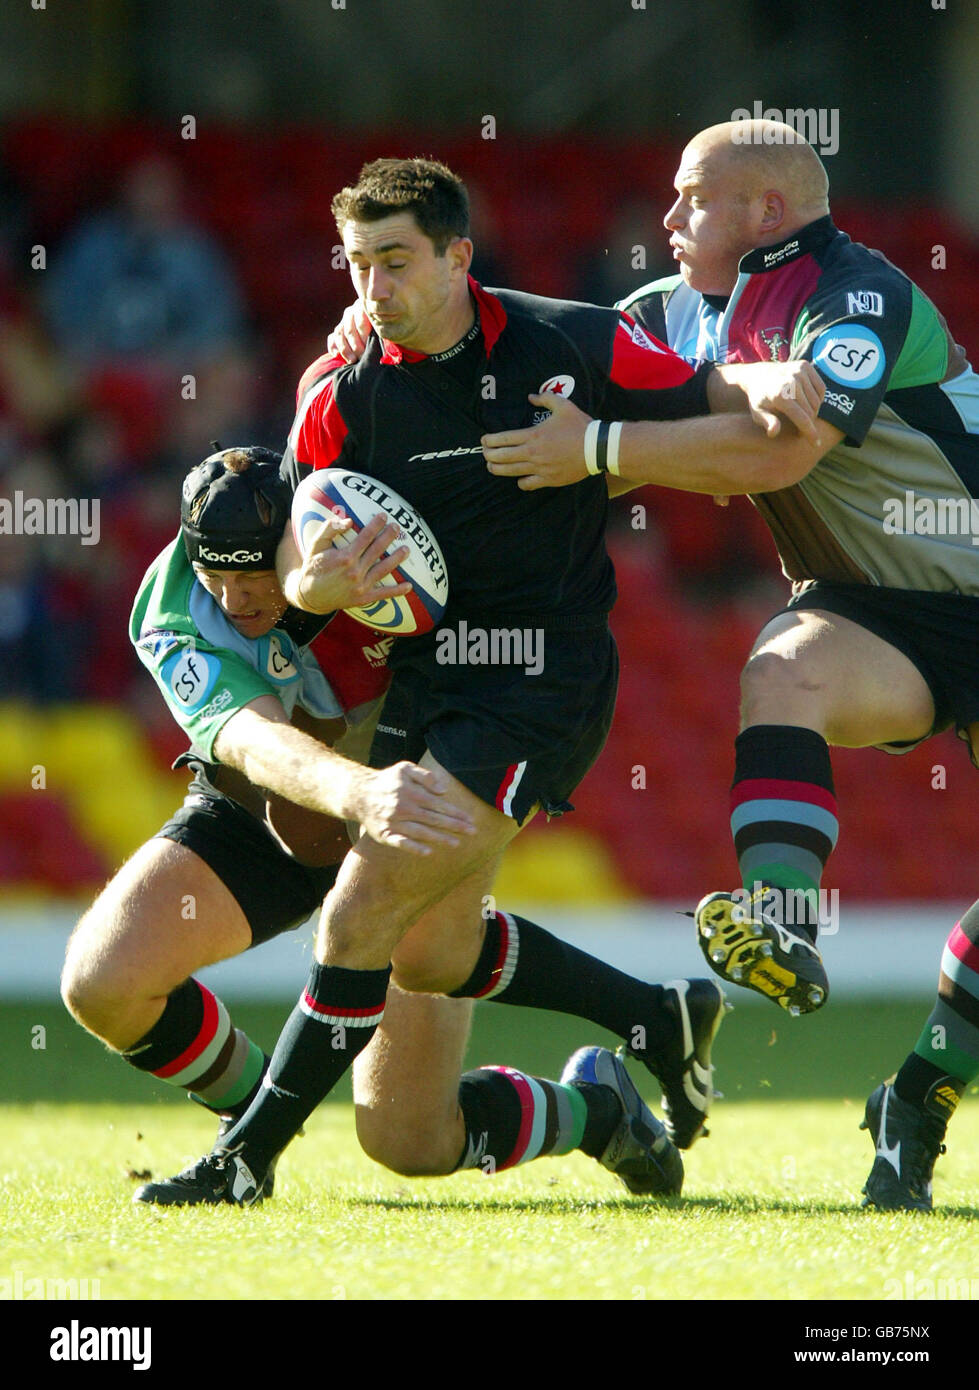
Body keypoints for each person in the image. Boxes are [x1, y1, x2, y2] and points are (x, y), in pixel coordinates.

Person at [135, 155, 827, 1207]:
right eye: (358, 264)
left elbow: (730, 417)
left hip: (539, 680)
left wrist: (606, 444)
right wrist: (309, 577)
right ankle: (653, 1024)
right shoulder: (339, 389)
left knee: (358, 913)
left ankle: (244, 1160)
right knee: (426, 973)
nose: (373, 288)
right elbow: (299, 551)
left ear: (460, 256)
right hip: (421, 687)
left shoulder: (569, 343)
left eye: (397, 261)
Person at [481, 120, 979, 1212]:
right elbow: (550, 389)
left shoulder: (858, 295)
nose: (664, 221)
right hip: (870, 605)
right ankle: (782, 923)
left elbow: (784, 449)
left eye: (689, 198)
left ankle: (919, 1096)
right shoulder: (663, 313)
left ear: (765, 208)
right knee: (781, 670)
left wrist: (601, 452)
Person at [65, 442, 728, 1205]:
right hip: (276, 806)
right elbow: (254, 741)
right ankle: (258, 1116)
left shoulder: (374, 530)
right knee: (103, 984)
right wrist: (359, 794)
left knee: (409, 1137)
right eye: (216, 572)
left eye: (252, 574)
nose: (234, 598)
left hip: (415, 773)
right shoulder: (174, 603)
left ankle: (598, 1111)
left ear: (298, 533)